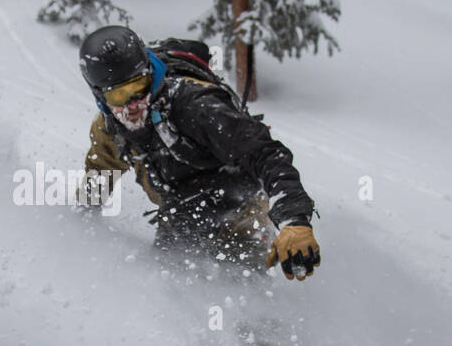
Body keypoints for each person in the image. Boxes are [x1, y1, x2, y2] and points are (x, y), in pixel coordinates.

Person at [77, 25, 320, 279]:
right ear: (100, 97)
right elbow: (99, 176)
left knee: (242, 288)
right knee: (165, 289)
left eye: (139, 85)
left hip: (238, 211)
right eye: (119, 95)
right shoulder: (110, 131)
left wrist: (294, 220)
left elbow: (264, 152)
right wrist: (80, 224)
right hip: (179, 217)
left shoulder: (194, 104)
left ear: (150, 74)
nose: (133, 103)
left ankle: (260, 316)